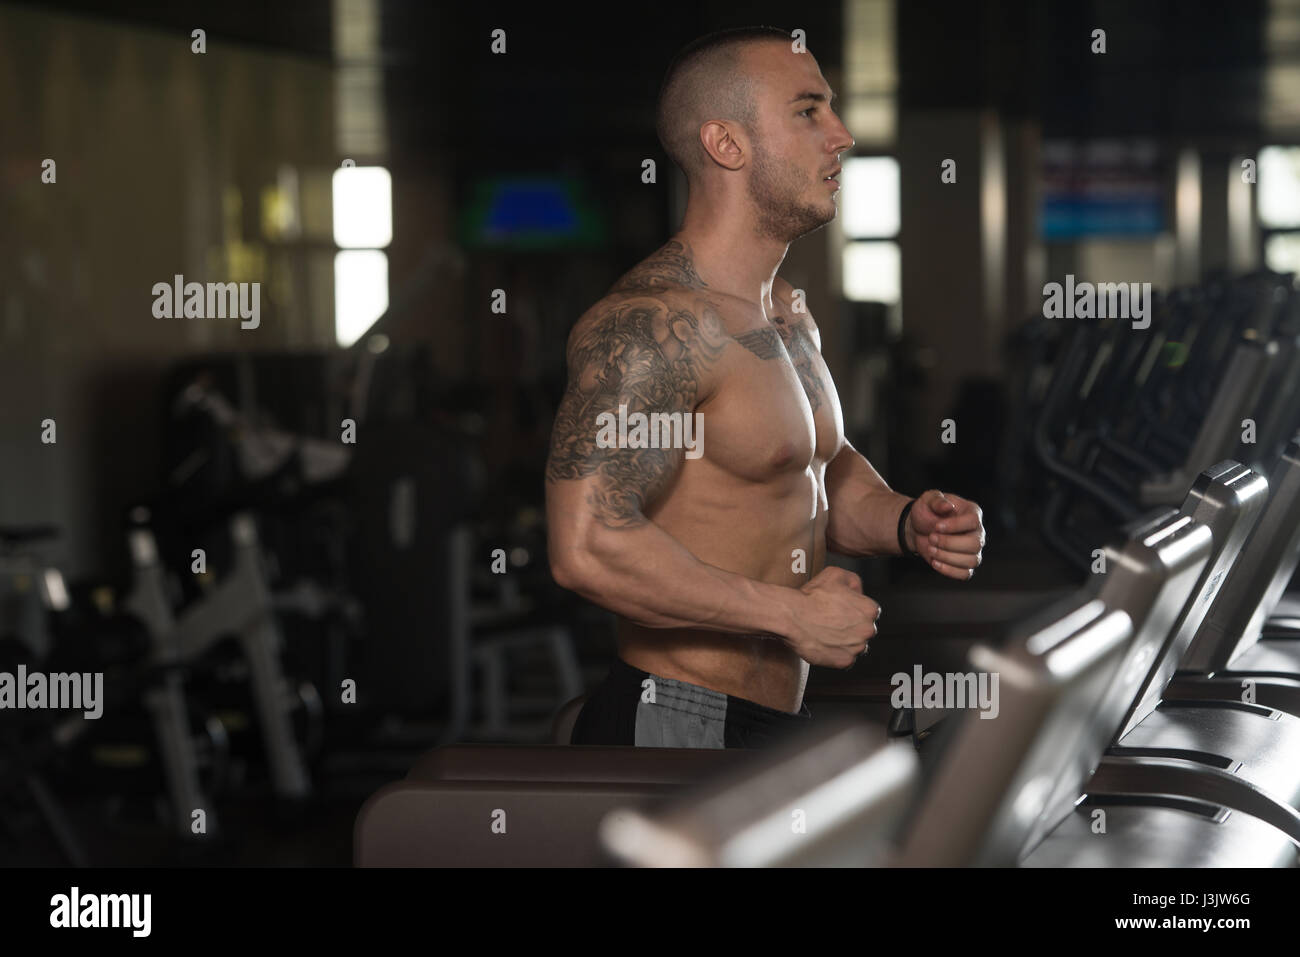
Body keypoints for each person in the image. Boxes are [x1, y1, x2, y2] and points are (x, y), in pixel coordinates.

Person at [545, 25, 986, 748]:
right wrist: (790, 615)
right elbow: (587, 543)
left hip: (771, 717)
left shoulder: (786, 314)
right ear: (727, 144)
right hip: (678, 718)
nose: (841, 136)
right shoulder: (652, 325)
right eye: (809, 111)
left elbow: (810, 475)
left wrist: (906, 519)